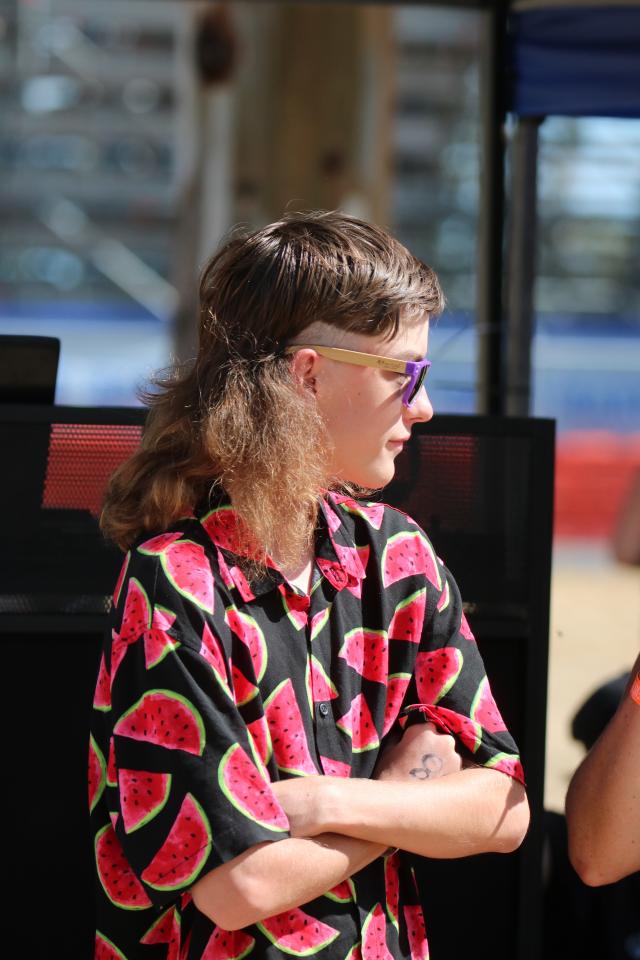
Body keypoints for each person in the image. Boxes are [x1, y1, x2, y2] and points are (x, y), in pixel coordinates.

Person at [89, 211, 529, 960]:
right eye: (403, 372)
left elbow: (503, 812)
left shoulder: (401, 556)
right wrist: (405, 806)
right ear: (307, 373)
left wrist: (330, 803)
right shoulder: (177, 579)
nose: (421, 406)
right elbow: (242, 888)